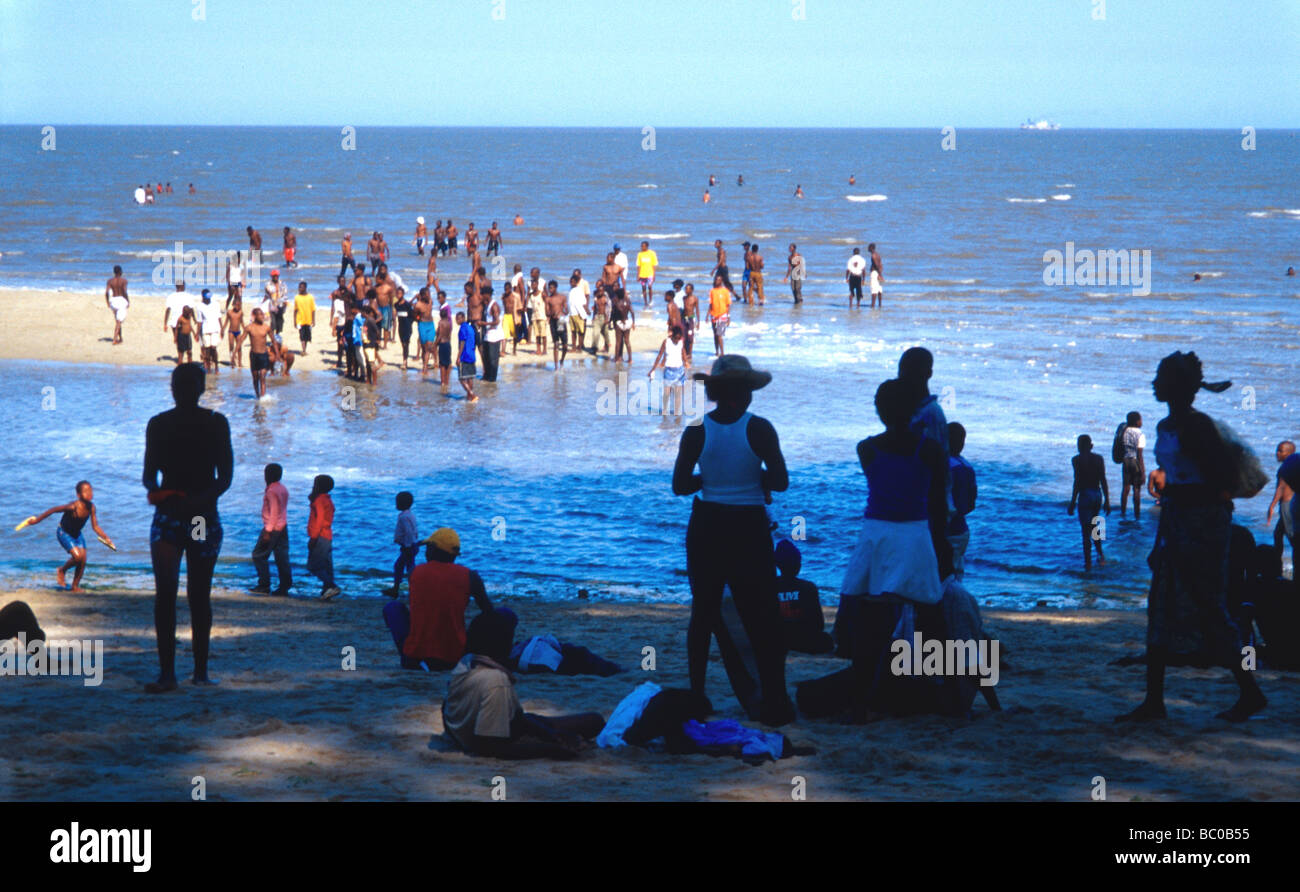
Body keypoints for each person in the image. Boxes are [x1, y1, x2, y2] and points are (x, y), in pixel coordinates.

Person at [1118, 351, 1266, 723]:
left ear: (1175, 385)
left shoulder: (1196, 427)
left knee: (1207, 606)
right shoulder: (1169, 425)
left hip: (1201, 526)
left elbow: (1220, 481)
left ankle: (1248, 693)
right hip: (1178, 521)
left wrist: (1181, 501)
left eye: (1159, 377)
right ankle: (1155, 701)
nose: (1154, 383)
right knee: (1162, 605)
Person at [672, 355, 794, 726]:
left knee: (703, 613)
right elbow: (780, 482)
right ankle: (772, 696)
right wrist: (754, 478)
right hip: (748, 527)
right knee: (762, 614)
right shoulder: (760, 429)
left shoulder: (696, 431)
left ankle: (696, 694)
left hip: (708, 525)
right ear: (747, 394)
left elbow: (680, 486)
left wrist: (708, 481)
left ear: (713, 392)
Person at [142, 363, 233, 692]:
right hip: (200, 517)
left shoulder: (159, 424)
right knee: (198, 595)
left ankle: (169, 675)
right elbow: (224, 478)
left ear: (174, 389)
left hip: (172, 514)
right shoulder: (215, 423)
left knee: (167, 595)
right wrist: (199, 501)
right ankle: (199, 673)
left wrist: (162, 494)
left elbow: (149, 475)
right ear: (201, 389)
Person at [442, 609, 605, 759]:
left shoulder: (466, 663)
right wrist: (550, 749)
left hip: (480, 726)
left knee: (593, 721)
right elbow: (490, 747)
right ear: (502, 644)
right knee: (593, 722)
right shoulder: (496, 681)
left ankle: (552, 731)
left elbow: (517, 718)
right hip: (490, 735)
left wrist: (551, 734)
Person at [384, 528, 492, 670]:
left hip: (416, 655)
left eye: (428, 547)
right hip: (455, 655)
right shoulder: (470, 576)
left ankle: (411, 658)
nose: (426, 551)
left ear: (433, 550)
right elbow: (489, 612)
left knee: (392, 608)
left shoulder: (414, 573)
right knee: (497, 615)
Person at [21, 481, 114, 592]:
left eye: (91, 490)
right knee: (77, 557)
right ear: (78, 495)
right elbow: (53, 510)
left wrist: (106, 537)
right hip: (64, 533)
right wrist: (36, 520)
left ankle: (75, 586)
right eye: (85, 491)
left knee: (83, 559)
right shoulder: (73, 507)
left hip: (77, 534)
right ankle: (62, 570)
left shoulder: (92, 507)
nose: (89, 493)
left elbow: (95, 526)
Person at [773, 539, 834, 655]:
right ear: (798, 564)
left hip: (778, 637)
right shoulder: (808, 587)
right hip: (803, 638)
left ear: (777, 564)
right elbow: (818, 624)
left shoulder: (769, 587)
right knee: (826, 640)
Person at [1068, 435, 1110, 570]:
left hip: (1085, 496)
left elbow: (1077, 482)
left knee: (1085, 533)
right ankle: (1101, 555)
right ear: (1091, 446)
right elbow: (1103, 479)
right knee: (1095, 526)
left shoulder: (1076, 460)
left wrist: (1073, 502)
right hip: (1097, 495)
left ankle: (1088, 564)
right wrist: (1107, 500)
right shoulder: (1099, 459)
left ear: (1078, 446)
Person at [250, 463, 292, 597]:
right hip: (283, 526)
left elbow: (274, 512)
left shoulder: (271, 491)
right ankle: (285, 586)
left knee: (258, 555)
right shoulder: (282, 488)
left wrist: (267, 531)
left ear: (267, 475)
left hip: (273, 527)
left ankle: (264, 585)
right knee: (282, 557)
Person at [947, 422, 977, 578]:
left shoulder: (944, 465)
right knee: (957, 573)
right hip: (962, 530)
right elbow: (970, 505)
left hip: (946, 531)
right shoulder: (967, 466)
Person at [307, 475, 340, 599]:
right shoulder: (327, 500)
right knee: (327, 565)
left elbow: (319, 521)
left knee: (314, 566)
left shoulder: (319, 500)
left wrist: (313, 538)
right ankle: (327, 589)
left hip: (320, 536)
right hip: (327, 536)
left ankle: (331, 585)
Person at [384, 491, 420, 597]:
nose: (396, 504)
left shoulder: (403, 517)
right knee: (407, 567)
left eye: (397, 502)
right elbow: (414, 530)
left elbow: (408, 532)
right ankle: (407, 588)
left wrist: (407, 546)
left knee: (403, 567)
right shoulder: (410, 515)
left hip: (408, 546)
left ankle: (400, 589)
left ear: (401, 504)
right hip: (412, 545)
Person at [648, 325, 689, 416]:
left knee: (678, 394)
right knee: (667, 392)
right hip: (668, 370)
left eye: (679, 339)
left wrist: (686, 361)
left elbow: (683, 352)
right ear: (672, 335)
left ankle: (677, 412)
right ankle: (665, 411)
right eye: (675, 338)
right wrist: (652, 369)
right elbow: (659, 356)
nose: (677, 340)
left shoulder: (681, 342)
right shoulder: (666, 342)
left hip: (679, 370)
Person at [1266, 440, 1296, 566]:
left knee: (1293, 538)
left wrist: (1272, 506)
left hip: (1286, 505)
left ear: (1289, 453)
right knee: (1278, 534)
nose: (1277, 453)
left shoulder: (1286, 467)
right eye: (1277, 450)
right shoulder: (1293, 465)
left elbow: (1281, 487)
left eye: (1280, 451)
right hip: (1291, 504)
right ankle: (1276, 564)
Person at [1117, 411, 1147, 518]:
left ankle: (1123, 512)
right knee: (1137, 489)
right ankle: (1137, 515)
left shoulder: (1124, 431)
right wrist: (1143, 473)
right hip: (1135, 461)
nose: (1141, 422)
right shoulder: (1140, 434)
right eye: (1140, 420)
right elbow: (1140, 455)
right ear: (1137, 422)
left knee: (1125, 488)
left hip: (1125, 461)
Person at [245, 308, 273, 398]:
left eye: (263, 314)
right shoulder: (249, 327)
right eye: (260, 315)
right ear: (255, 316)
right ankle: (257, 395)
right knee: (255, 377)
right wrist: (234, 354)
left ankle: (263, 397)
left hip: (264, 354)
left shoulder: (266, 327)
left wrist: (277, 356)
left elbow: (274, 341)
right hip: (254, 355)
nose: (262, 316)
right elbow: (241, 340)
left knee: (262, 376)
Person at [195, 289, 223, 373]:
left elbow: (219, 317)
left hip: (215, 329)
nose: (208, 299)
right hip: (205, 330)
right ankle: (208, 367)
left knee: (214, 348)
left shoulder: (216, 304)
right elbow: (199, 321)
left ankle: (216, 366)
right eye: (206, 298)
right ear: (203, 297)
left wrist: (222, 329)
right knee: (207, 349)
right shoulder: (199, 306)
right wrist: (197, 333)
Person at [456, 311, 478, 402]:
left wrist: (458, 356)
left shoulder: (462, 328)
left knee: (461, 378)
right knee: (470, 377)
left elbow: (462, 342)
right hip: (472, 355)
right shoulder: (470, 328)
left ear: (462, 318)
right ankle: (469, 396)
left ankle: (471, 394)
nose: (456, 321)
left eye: (458, 319)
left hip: (465, 355)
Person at [707, 274, 731, 356]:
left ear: (721, 281)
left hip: (723, 315)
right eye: (716, 279)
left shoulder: (725, 291)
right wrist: (707, 315)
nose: (717, 281)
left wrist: (728, 317)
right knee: (715, 334)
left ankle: (722, 352)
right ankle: (716, 351)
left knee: (719, 334)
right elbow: (710, 304)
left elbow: (728, 305)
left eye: (719, 279)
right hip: (714, 315)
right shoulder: (712, 291)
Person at [105, 265, 129, 345]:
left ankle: (120, 338)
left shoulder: (110, 281)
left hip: (113, 301)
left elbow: (107, 292)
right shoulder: (124, 281)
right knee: (119, 322)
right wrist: (128, 301)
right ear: (120, 272)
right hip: (121, 301)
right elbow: (125, 292)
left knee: (117, 321)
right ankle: (114, 339)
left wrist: (107, 302)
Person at [567, 273, 590, 353]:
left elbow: (583, 302)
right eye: (570, 281)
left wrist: (586, 310)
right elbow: (569, 302)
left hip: (578, 313)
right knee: (573, 332)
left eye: (573, 282)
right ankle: (573, 347)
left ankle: (579, 347)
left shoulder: (579, 290)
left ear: (576, 282)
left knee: (580, 331)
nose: (571, 283)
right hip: (571, 314)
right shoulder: (570, 290)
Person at [293, 280, 315, 356]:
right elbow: (295, 310)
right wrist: (295, 321)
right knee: (302, 336)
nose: (299, 289)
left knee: (307, 336)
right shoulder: (297, 297)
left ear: (305, 288)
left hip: (308, 320)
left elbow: (313, 310)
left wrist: (313, 320)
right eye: (299, 287)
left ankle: (304, 349)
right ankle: (303, 350)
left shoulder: (310, 297)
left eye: (301, 287)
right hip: (300, 320)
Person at [394, 287, 414, 369]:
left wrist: (409, 324)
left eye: (400, 293)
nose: (398, 295)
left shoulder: (407, 305)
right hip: (400, 327)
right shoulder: (396, 305)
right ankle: (405, 360)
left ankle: (405, 362)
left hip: (407, 327)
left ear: (403, 294)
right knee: (403, 345)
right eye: (397, 293)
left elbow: (412, 316)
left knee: (406, 344)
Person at [435, 304, 454, 392]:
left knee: (442, 365)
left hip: (442, 344)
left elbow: (440, 335)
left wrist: (434, 344)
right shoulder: (449, 323)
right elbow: (448, 334)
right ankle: (447, 381)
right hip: (448, 344)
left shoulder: (441, 323)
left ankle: (443, 382)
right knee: (448, 363)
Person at [636, 240, 658, 309]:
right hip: (642, 274)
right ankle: (645, 302)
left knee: (650, 287)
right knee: (643, 288)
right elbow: (638, 265)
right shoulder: (640, 254)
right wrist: (638, 275)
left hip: (650, 274)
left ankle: (650, 301)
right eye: (641, 246)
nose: (642, 247)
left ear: (647, 246)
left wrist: (654, 275)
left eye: (643, 246)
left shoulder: (652, 253)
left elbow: (654, 265)